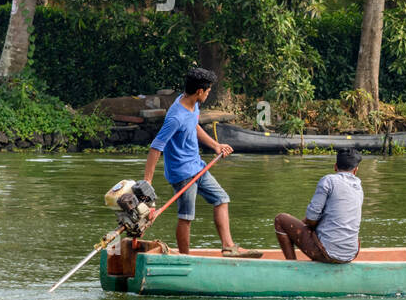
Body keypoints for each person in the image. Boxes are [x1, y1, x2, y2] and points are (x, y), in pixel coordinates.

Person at [143, 66, 259, 257]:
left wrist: (215, 145)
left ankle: (229, 247)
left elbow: (194, 125)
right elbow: (156, 147)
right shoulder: (175, 117)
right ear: (199, 91)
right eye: (208, 90)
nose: (209, 93)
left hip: (197, 166)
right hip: (182, 173)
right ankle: (185, 258)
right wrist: (147, 181)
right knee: (186, 217)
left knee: (221, 199)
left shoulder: (192, 104)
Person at [274, 148, 364, 263]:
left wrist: (302, 226)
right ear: (355, 170)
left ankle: (291, 266)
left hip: (327, 253)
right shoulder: (358, 187)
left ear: (335, 167)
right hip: (351, 254)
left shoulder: (328, 181)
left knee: (280, 219)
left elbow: (311, 219)